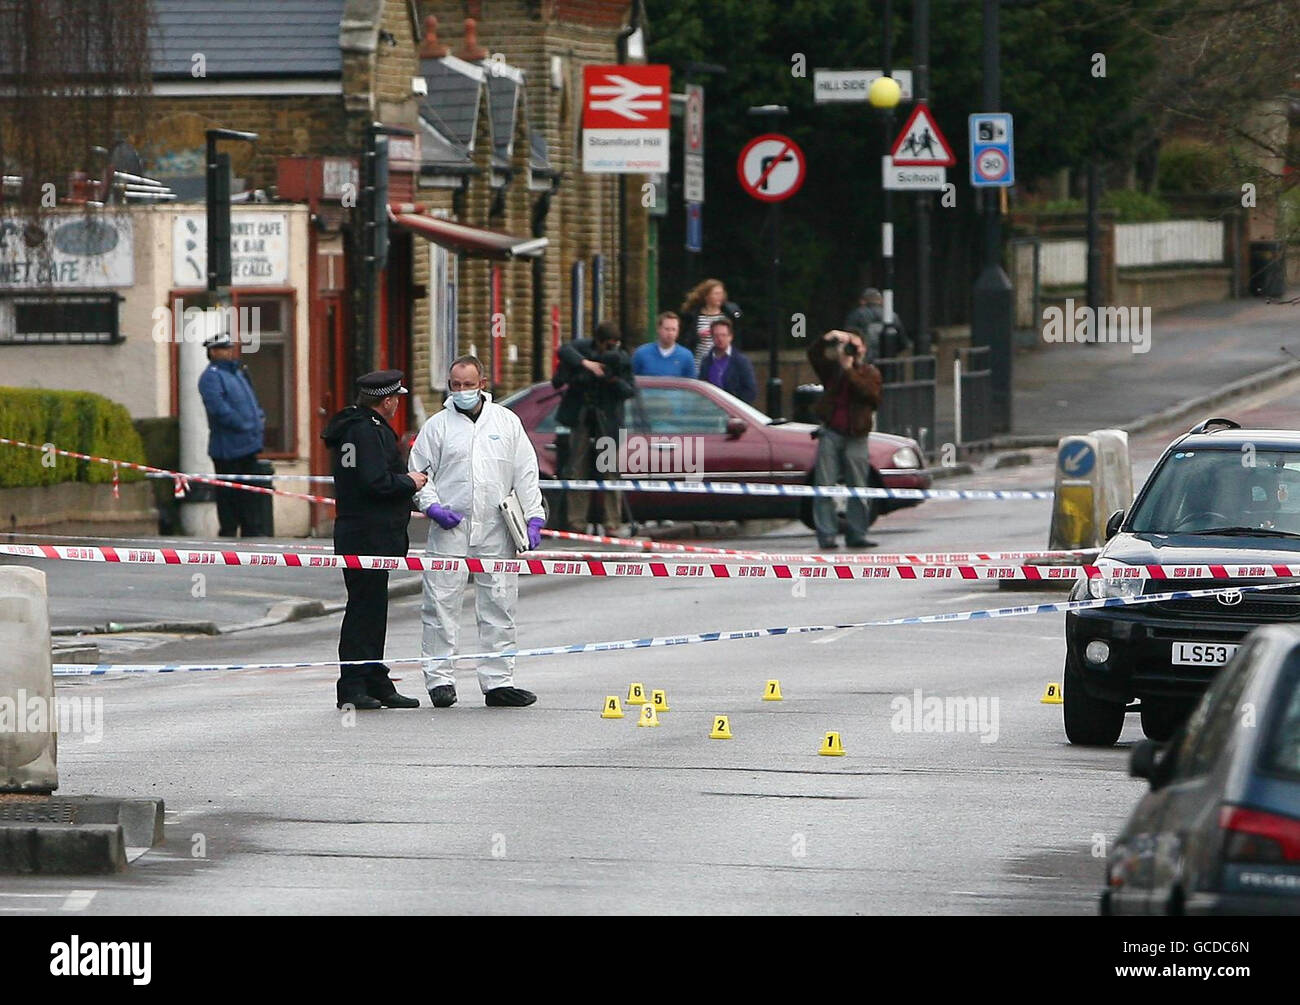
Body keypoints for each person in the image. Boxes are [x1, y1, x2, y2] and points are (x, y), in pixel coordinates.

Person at [408, 355, 546, 709]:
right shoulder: (437, 427)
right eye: (456, 385)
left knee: (499, 602)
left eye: (469, 385)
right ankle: (440, 679)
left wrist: (533, 516)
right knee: (440, 603)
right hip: (450, 526)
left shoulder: (507, 422)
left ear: (482, 383)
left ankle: (499, 681)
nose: (463, 391)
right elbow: (420, 472)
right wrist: (432, 506)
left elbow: (525, 472)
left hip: (497, 526)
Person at [321, 370, 427, 710]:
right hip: (367, 533)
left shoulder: (354, 427)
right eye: (396, 399)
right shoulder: (367, 432)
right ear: (388, 400)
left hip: (363, 531)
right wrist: (409, 482)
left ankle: (373, 678)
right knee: (363, 609)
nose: (397, 405)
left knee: (371, 607)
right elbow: (374, 482)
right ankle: (353, 684)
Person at [553, 321, 635, 534]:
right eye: (607, 345)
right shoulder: (583, 350)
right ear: (598, 341)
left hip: (607, 421)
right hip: (582, 417)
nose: (610, 350)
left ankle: (612, 523)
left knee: (609, 470)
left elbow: (629, 390)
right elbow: (563, 351)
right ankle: (576, 522)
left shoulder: (619, 359)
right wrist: (586, 365)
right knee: (577, 469)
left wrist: (611, 379)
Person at [807, 330, 883, 550]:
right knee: (824, 485)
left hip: (857, 436)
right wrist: (827, 338)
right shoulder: (833, 371)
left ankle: (857, 533)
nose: (852, 349)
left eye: (855, 346)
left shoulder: (870, 372)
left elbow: (871, 396)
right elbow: (813, 355)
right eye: (848, 345)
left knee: (858, 486)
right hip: (831, 432)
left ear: (864, 350)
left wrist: (849, 369)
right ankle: (827, 534)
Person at [197, 331, 267, 537]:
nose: (229, 352)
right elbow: (218, 408)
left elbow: (251, 401)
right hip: (228, 447)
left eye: (230, 348)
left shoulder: (237, 373)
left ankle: (251, 528)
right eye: (224, 349)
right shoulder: (212, 376)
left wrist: (259, 419)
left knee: (250, 492)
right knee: (229, 493)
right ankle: (229, 530)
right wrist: (242, 423)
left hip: (248, 443)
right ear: (213, 352)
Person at [679, 278, 741, 367]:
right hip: (699, 363)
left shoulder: (728, 315)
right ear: (706, 296)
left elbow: (736, 336)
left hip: (723, 363)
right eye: (716, 294)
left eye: (721, 293)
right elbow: (687, 340)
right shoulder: (693, 316)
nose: (719, 297)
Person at [698, 317, 757, 404]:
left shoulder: (741, 361)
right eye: (716, 335)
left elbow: (750, 391)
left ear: (730, 337)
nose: (720, 339)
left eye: (723, 335)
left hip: (733, 411)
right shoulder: (706, 361)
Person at [843, 287, 910, 360]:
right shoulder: (892, 316)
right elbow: (903, 343)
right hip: (888, 361)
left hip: (864, 361)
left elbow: (847, 339)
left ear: (862, 301)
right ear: (881, 301)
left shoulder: (856, 315)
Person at [632, 311, 695, 377]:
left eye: (674, 329)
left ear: (678, 331)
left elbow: (691, 382)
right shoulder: (641, 353)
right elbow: (632, 380)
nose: (670, 333)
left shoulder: (686, 356)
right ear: (658, 329)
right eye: (667, 329)